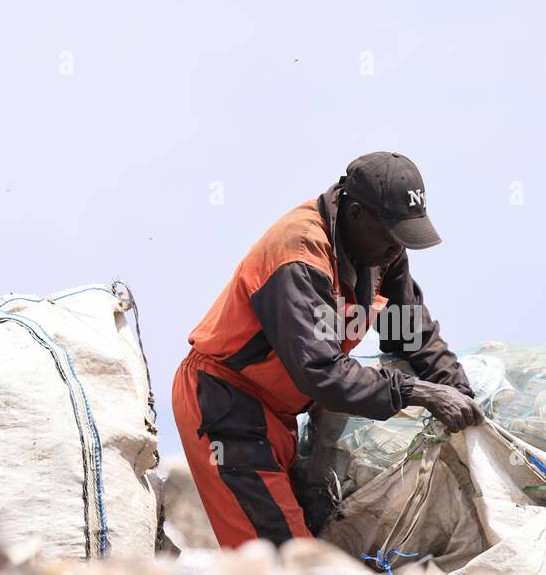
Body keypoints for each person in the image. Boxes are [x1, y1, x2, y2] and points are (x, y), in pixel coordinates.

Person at [171, 151, 483, 548]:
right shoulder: (298, 252)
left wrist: (460, 392)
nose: (397, 250)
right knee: (285, 558)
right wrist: (419, 393)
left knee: (322, 543)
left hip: (282, 413)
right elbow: (320, 371)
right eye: (392, 236)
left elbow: (412, 334)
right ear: (355, 213)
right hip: (225, 404)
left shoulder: (382, 255)